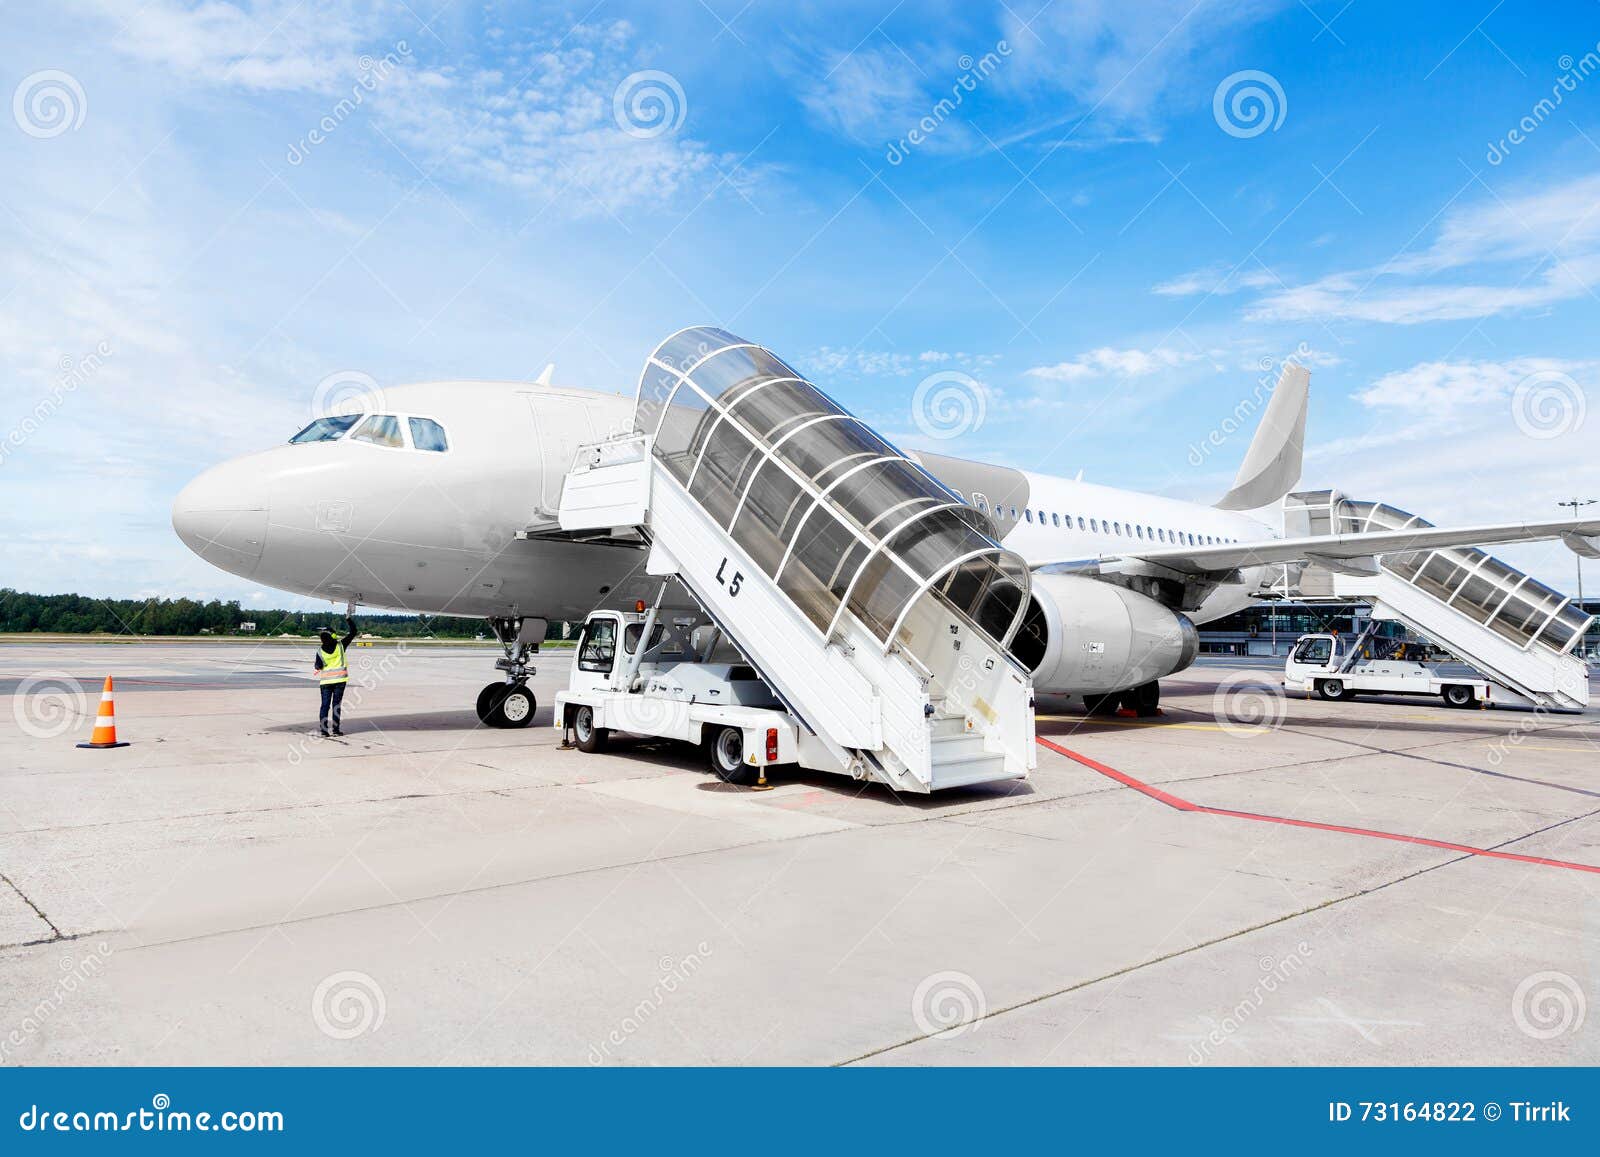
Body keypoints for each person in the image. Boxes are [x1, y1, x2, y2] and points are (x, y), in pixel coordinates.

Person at [314, 616, 357, 736]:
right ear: (333, 636)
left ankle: (324, 731)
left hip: (325, 683)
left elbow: (318, 666)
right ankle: (336, 730)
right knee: (336, 706)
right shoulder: (341, 645)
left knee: (324, 706)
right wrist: (348, 619)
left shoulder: (319, 651)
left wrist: (319, 667)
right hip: (340, 681)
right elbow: (353, 632)